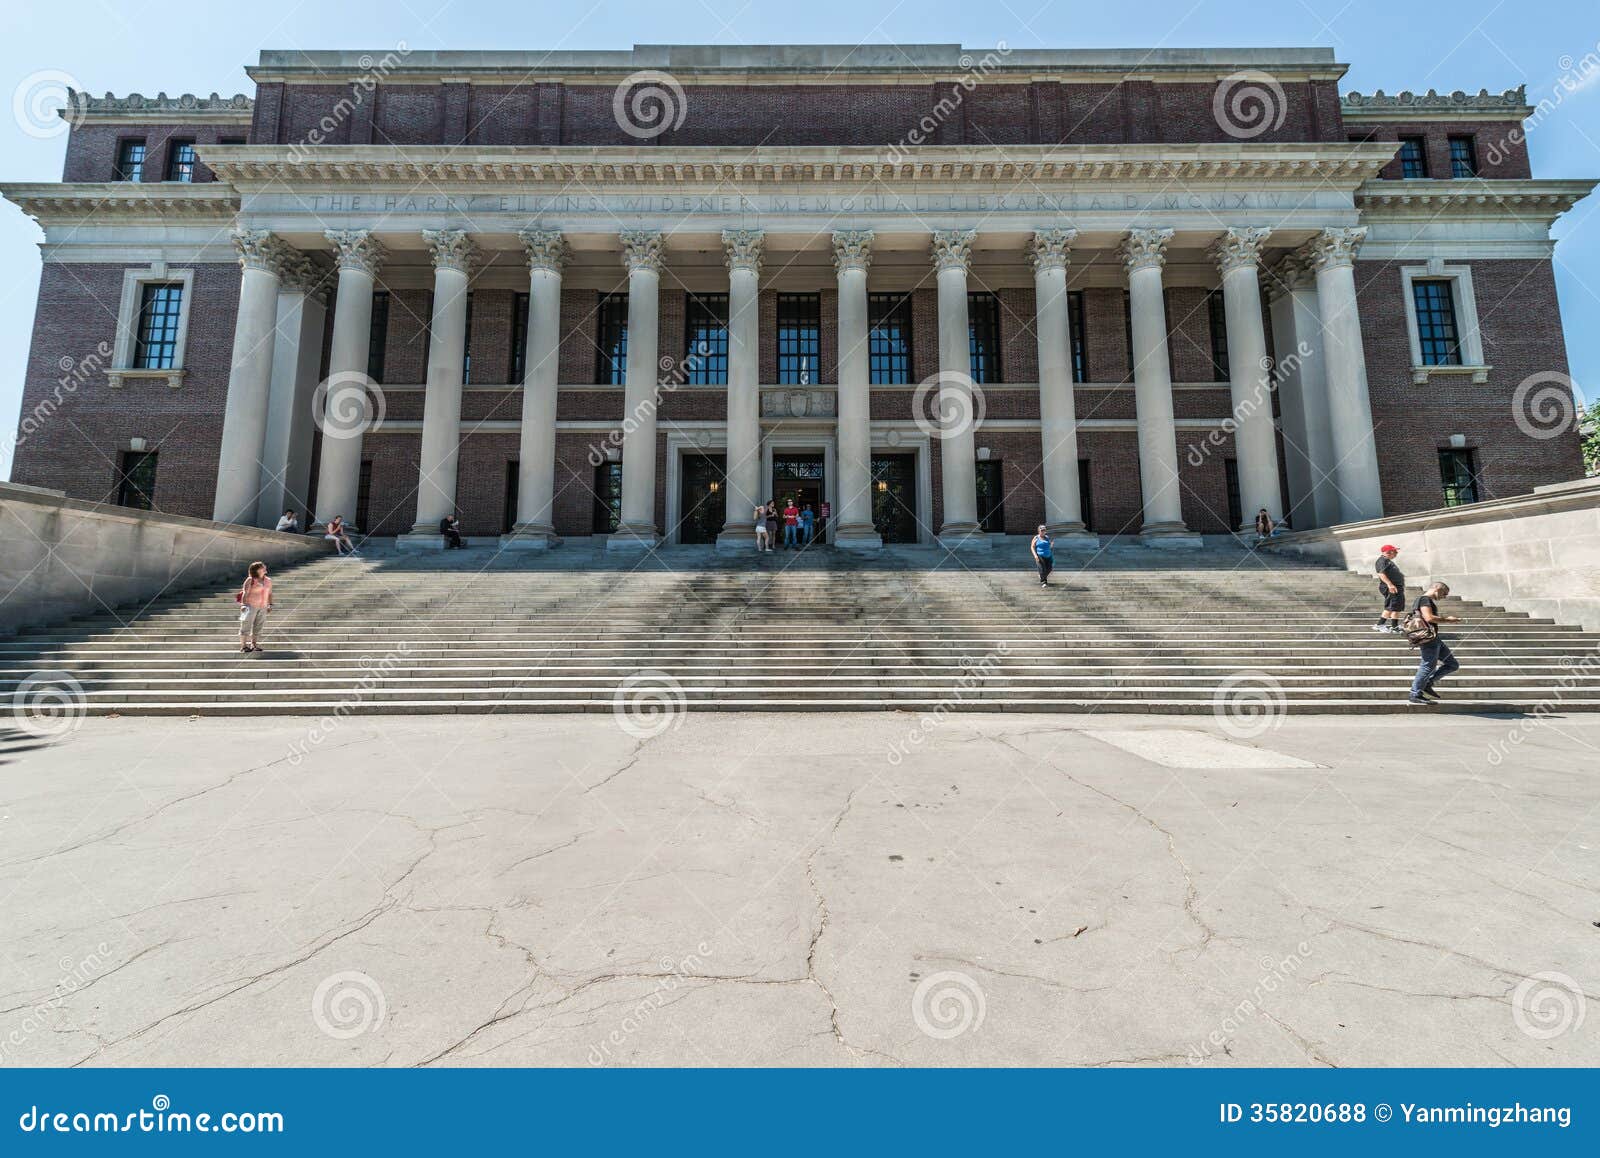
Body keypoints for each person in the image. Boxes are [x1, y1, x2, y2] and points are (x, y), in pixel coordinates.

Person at [1407, 581, 1466, 705]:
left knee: (1452, 664)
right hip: (1429, 638)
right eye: (1444, 593)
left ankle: (1428, 683)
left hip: (1434, 638)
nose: (1444, 597)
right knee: (1428, 665)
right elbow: (1429, 618)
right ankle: (1415, 693)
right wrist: (1448, 620)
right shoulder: (1424, 600)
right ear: (1436, 589)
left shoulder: (1423, 600)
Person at [237, 561, 272, 654]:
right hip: (250, 606)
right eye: (262, 567)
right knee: (245, 625)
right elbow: (245, 593)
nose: (265, 568)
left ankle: (254, 644)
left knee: (258, 626)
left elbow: (269, 593)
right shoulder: (250, 579)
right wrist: (243, 605)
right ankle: (244, 646)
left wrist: (269, 604)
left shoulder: (268, 580)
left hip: (263, 606)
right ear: (257, 570)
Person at [1373, 544, 1404, 633]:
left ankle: (1394, 626)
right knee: (1391, 606)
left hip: (1397, 587)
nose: (1396, 553)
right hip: (1390, 587)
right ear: (1388, 552)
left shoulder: (1388, 561)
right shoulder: (1382, 560)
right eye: (1395, 551)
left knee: (1397, 607)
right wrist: (1390, 584)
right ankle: (1379, 625)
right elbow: (1381, 574)